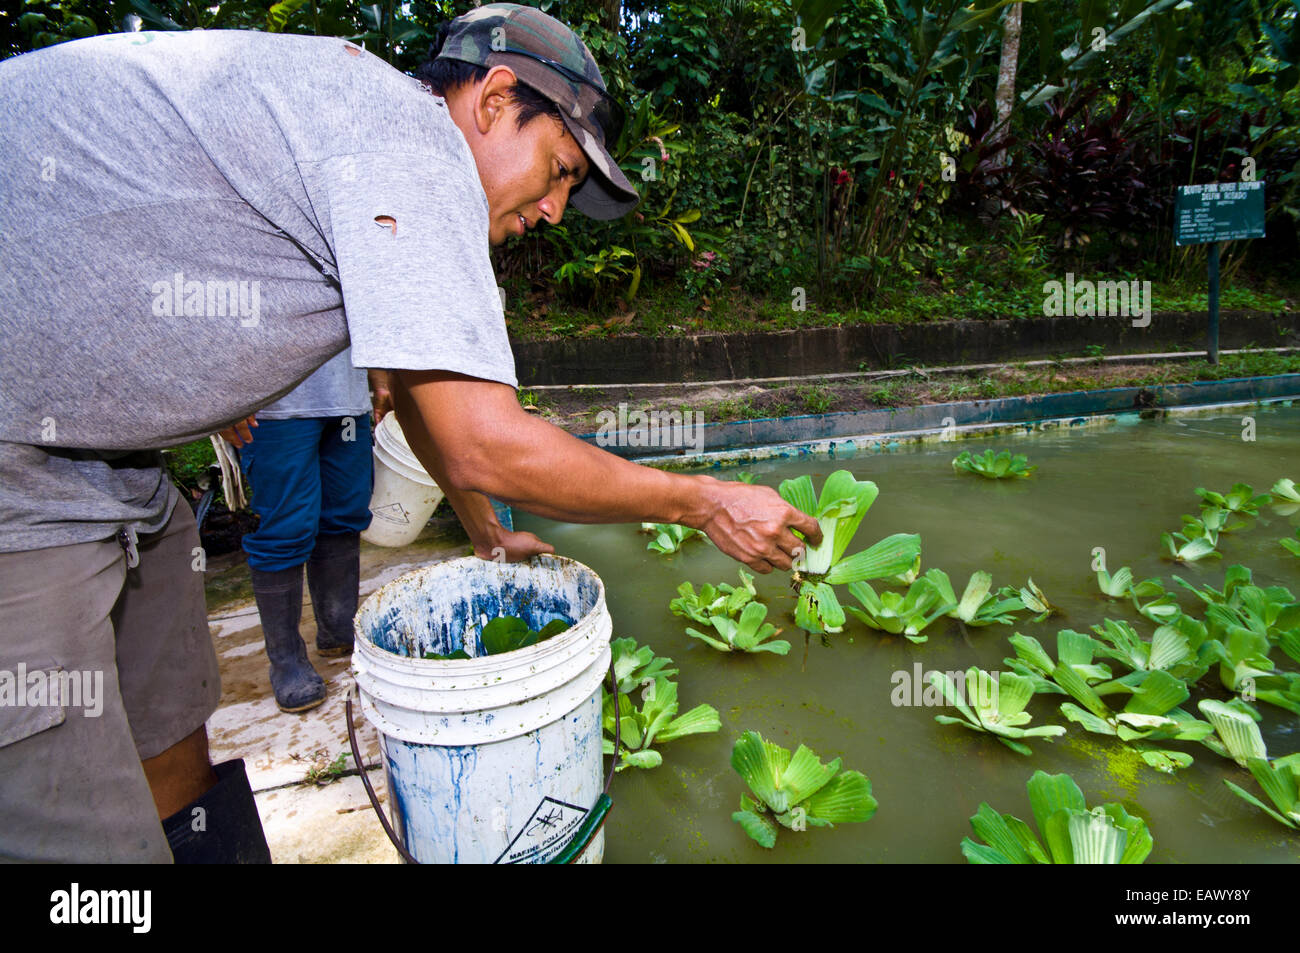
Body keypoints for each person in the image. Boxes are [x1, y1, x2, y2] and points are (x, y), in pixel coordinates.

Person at [0, 3, 819, 863]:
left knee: (170, 737)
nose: (552, 210)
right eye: (559, 170)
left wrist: (484, 531)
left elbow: (436, 412)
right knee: (83, 843)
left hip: (110, 466)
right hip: (21, 480)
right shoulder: (412, 144)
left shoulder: (368, 138)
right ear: (496, 100)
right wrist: (708, 500)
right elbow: (485, 442)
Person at [218, 354, 388, 714]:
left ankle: (339, 632)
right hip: (270, 405)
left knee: (345, 515)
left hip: (344, 397)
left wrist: (380, 379)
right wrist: (222, 395)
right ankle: (287, 662)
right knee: (286, 529)